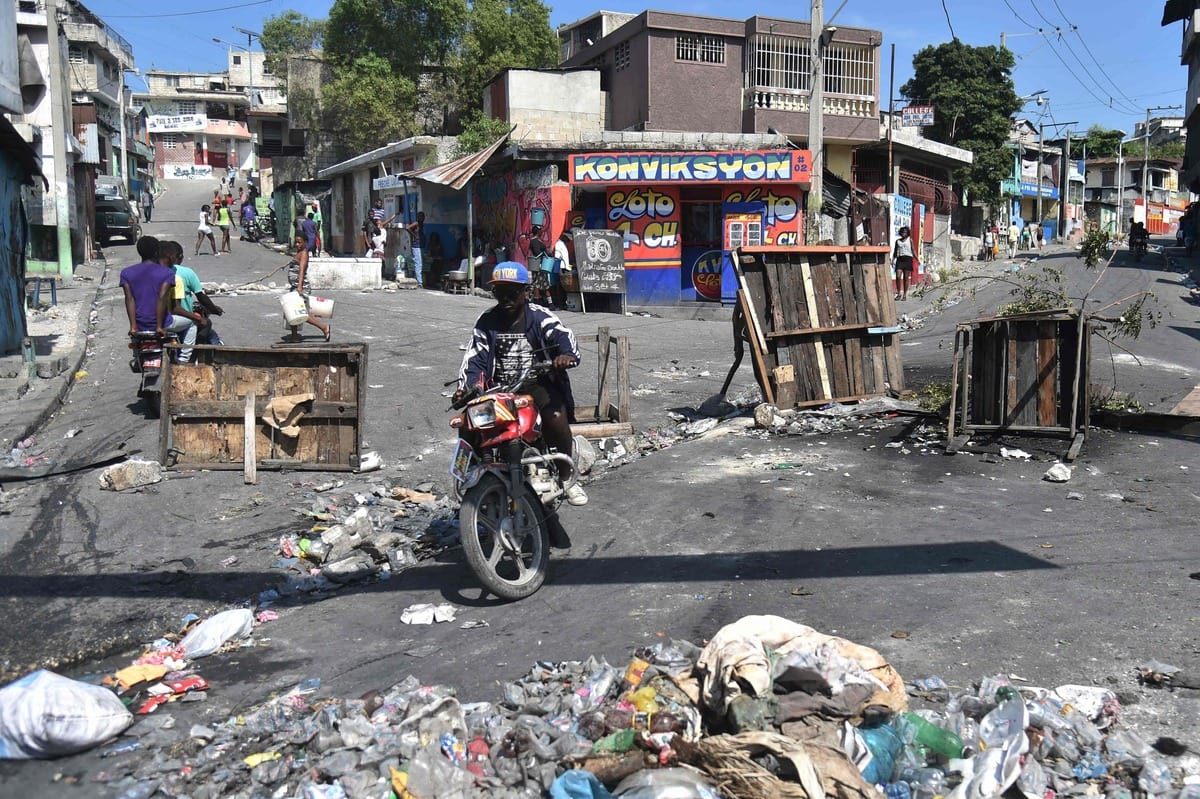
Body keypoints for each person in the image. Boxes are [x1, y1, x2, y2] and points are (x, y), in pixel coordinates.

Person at [454, 261, 587, 506]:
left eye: (512, 292)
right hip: (498, 389)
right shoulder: (486, 321)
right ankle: (472, 476)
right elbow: (474, 358)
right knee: (467, 423)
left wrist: (566, 355)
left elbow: (561, 335)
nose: (505, 298)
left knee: (556, 417)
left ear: (526, 292)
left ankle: (567, 478)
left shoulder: (539, 316)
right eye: (499, 292)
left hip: (536, 384)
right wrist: (468, 386)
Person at [120, 236, 197, 363]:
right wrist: (159, 326)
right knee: (192, 323)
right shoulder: (167, 273)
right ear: (157, 252)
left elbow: (129, 299)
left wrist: (133, 326)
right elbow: (162, 298)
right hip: (164, 323)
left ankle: (137, 357)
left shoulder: (126, 273)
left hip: (139, 324)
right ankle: (184, 359)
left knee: (136, 340)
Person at [161, 240, 224, 346]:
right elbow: (200, 296)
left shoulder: (155, 272)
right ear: (178, 256)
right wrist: (214, 309)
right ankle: (196, 352)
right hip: (177, 317)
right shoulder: (181, 275)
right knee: (205, 323)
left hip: (157, 320)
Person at [286, 233, 331, 343]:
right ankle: (294, 335)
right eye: (296, 242)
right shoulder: (299, 252)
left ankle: (324, 328)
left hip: (301, 287)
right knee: (291, 311)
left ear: (305, 242)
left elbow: (301, 270)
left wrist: (300, 287)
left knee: (301, 313)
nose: (297, 244)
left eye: (299, 242)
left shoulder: (304, 253)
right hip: (295, 286)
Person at [892, 226, 915, 302]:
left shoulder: (910, 240)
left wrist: (918, 259)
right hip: (900, 259)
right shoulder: (897, 241)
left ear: (907, 233)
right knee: (898, 276)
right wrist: (893, 259)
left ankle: (905, 294)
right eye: (902, 232)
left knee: (906, 278)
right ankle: (899, 293)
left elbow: (913, 250)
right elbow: (895, 251)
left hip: (908, 259)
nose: (903, 233)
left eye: (905, 232)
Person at [406, 211, 426, 287]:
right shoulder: (416, 223)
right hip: (417, 246)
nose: (422, 218)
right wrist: (414, 235)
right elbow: (407, 228)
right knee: (418, 264)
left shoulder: (422, 225)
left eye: (423, 216)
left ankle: (418, 279)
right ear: (417, 217)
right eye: (420, 216)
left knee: (419, 264)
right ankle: (419, 282)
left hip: (421, 246)